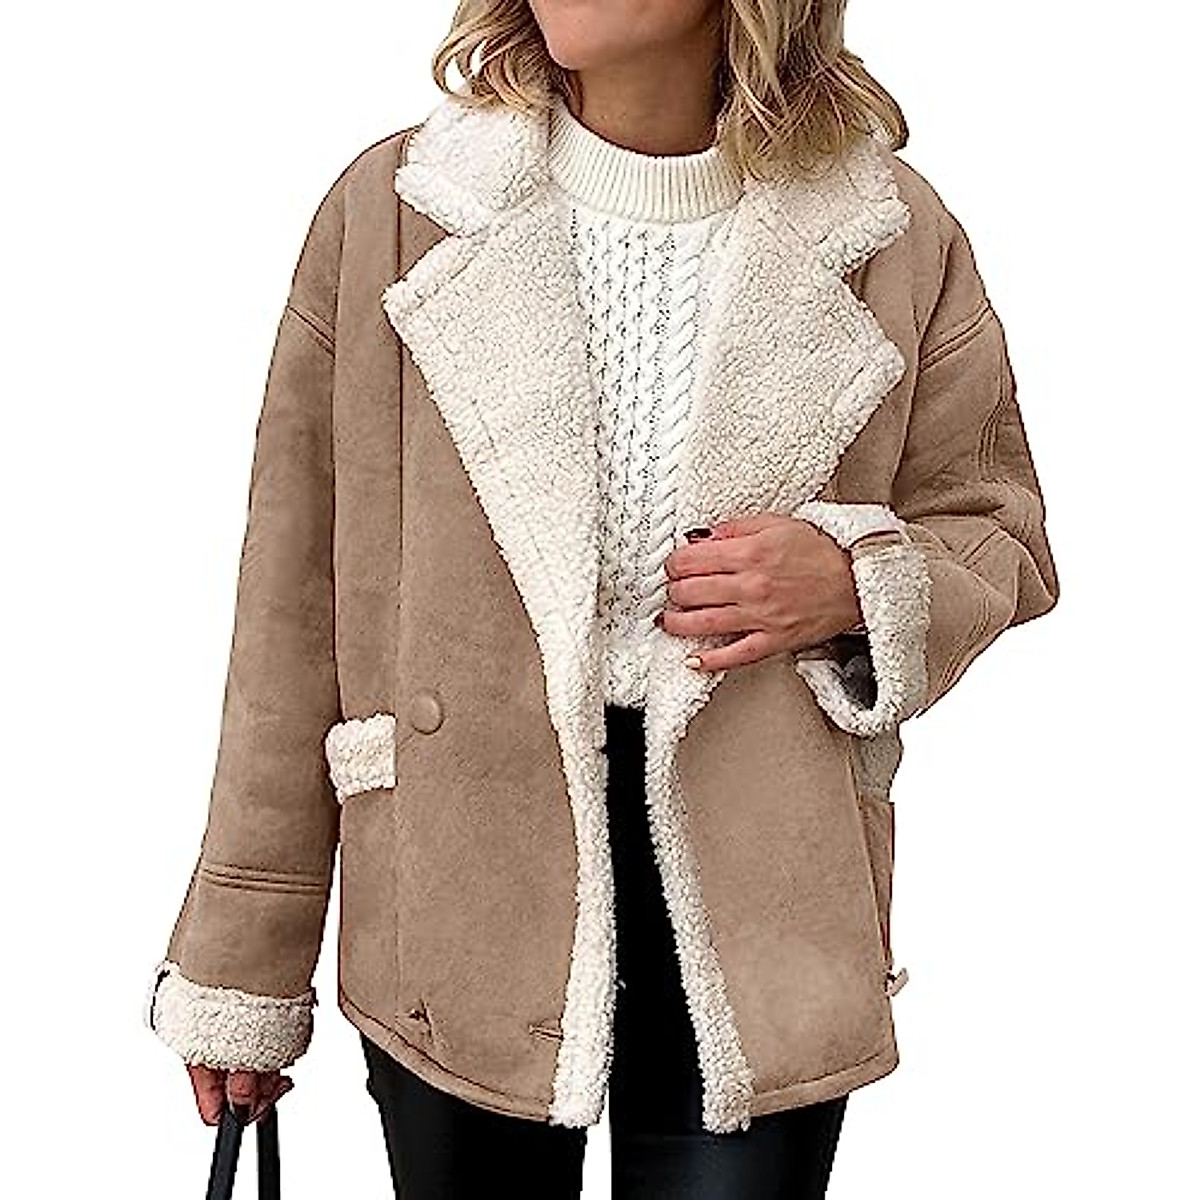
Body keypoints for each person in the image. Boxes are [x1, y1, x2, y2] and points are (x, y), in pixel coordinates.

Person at [143, 2, 1060, 1196]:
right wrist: (243, 960)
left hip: (763, 887)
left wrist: (853, 581)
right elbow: (287, 610)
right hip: (463, 876)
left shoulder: (890, 230)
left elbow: (998, 531)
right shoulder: (396, 209)